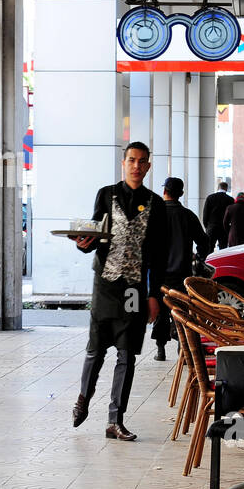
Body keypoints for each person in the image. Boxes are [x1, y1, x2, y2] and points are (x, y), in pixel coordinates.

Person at [70, 142, 170, 441]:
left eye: (141, 162)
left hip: (133, 289)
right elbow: (94, 233)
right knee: (95, 350)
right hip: (106, 284)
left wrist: (155, 295)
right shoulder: (106, 194)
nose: (136, 166)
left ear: (148, 166)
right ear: (123, 163)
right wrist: (82, 243)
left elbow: (158, 254)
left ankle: (115, 420)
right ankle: (84, 398)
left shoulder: (156, 203)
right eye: (131, 160)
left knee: (127, 355)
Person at [150, 177, 209, 361]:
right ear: (181, 194)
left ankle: (160, 350)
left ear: (164, 191)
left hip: (159, 276)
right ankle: (181, 349)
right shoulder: (188, 216)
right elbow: (204, 242)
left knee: (160, 311)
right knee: (181, 312)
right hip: (182, 275)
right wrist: (198, 258)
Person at [201, 181, 234, 255]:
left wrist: (207, 226)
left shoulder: (210, 197)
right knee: (223, 249)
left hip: (212, 227)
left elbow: (205, 214)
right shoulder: (230, 199)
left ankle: (208, 265)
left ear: (218, 187)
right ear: (226, 188)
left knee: (209, 249)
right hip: (224, 228)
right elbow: (231, 216)